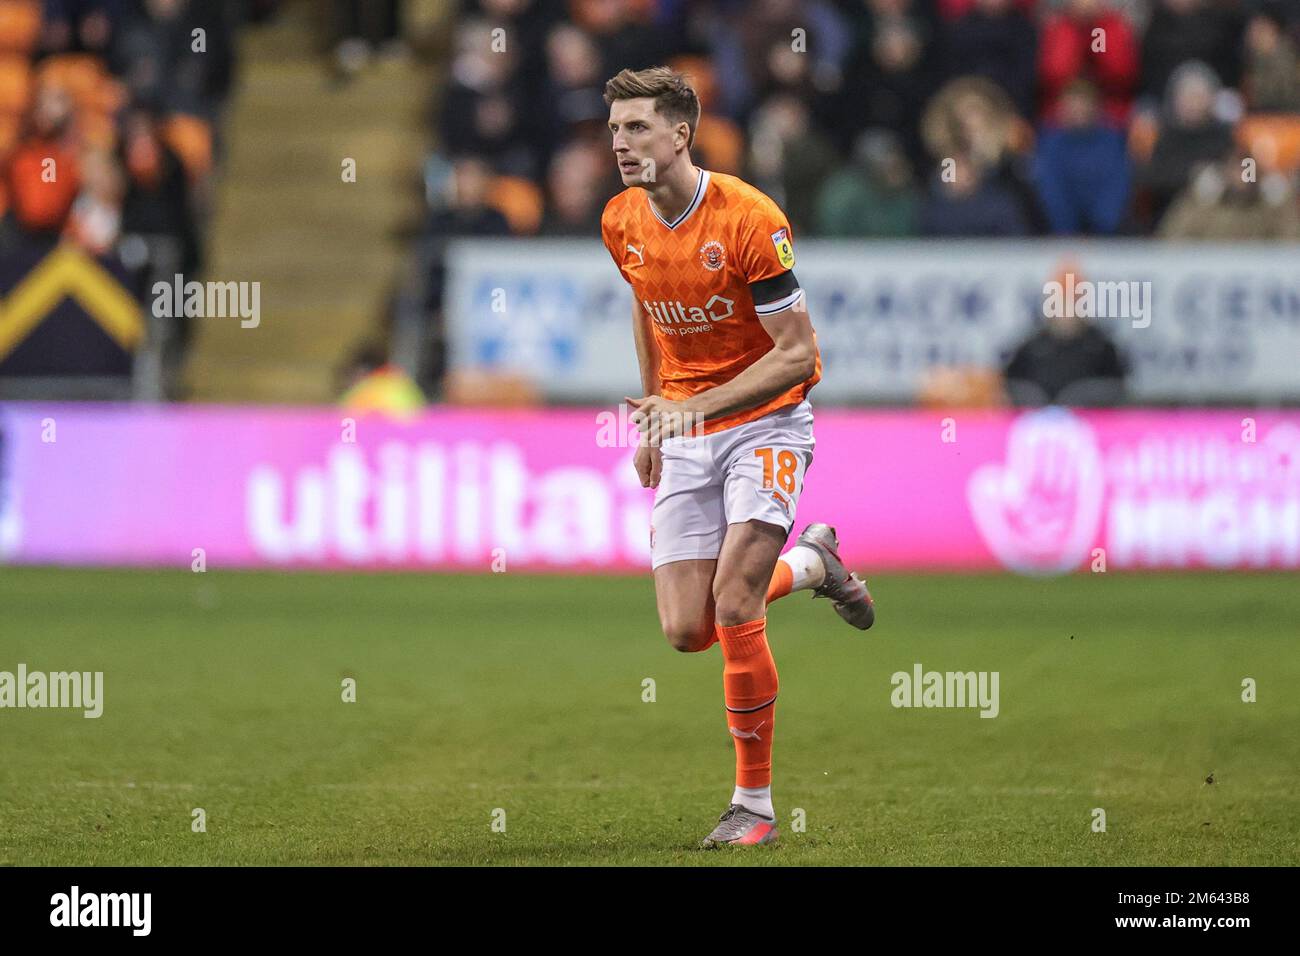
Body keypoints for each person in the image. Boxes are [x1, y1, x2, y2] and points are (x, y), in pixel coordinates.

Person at [599, 66, 875, 850]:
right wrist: (656, 416)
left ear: (681, 135)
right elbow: (648, 308)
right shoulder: (622, 220)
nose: (622, 143)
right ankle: (817, 566)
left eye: (638, 128)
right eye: (615, 128)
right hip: (687, 427)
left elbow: (798, 356)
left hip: (767, 424)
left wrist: (690, 409)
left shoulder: (751, 219)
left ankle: (752, 806)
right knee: (687, 629)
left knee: (736, 602)